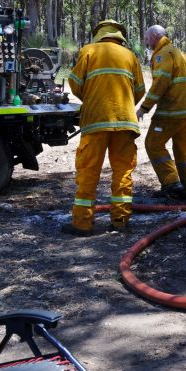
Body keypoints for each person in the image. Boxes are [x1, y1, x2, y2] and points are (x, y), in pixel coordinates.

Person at [64, 20, 145, 236]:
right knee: (123, 172)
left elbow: (74, 83)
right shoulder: (130, 56)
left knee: (89, 172)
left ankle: (82, 224)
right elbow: (140, 90)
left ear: (99, 34)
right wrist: (125, 104)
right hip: (125, 123)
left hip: (95, 122)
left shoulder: (88, 51)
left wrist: (92, 99)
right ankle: (120, 221)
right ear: (120, 36)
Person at [136, 25, 186, 201]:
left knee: (153, 144)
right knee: (183, 150)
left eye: (147, 38)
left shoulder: (162, 54)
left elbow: (160, 84)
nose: (146, 41)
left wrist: (144, 108)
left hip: (170, 113)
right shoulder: (178, 52)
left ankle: (171, 184)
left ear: (155, 36)